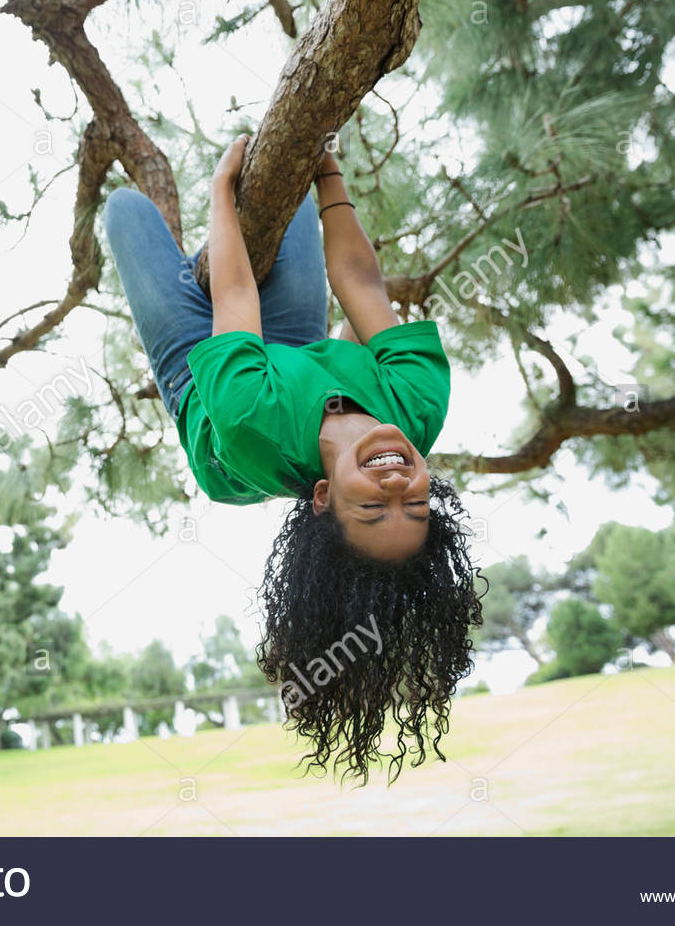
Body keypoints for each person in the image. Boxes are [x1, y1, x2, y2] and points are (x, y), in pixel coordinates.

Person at [101, 134, 484, 785]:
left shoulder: (255, 427)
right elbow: (361, 280)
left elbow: (234, 301)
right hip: (290, 353)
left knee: (125, 210)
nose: (396, 481)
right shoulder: (417, 405)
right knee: (294, 192)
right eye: (414, 500)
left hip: (215, 395)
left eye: (372, 503)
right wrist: (330, 177)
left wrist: (222, 194)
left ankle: (189, 242)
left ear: (324, 499)